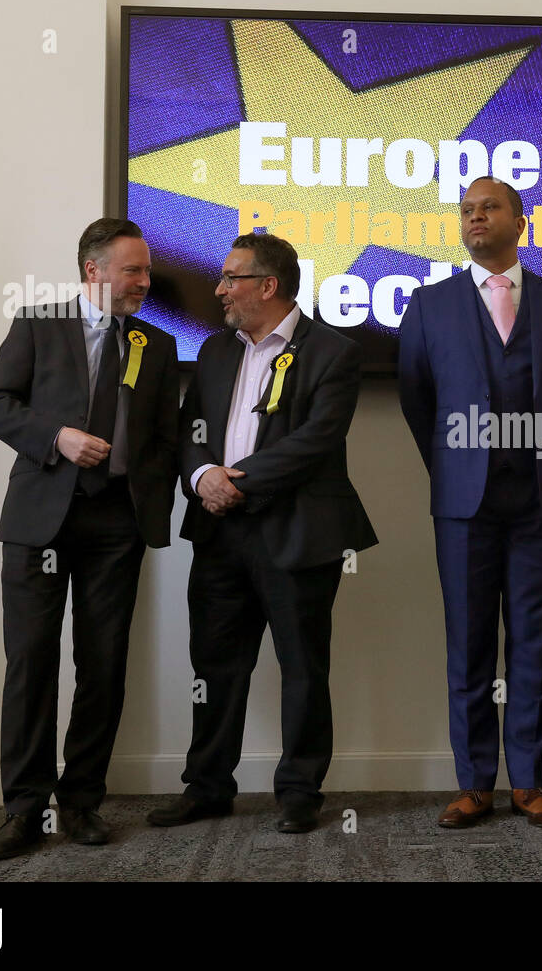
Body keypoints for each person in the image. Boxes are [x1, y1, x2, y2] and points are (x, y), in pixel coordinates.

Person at [146, 233, 377, 835]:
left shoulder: (332, 351)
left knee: (303, 667)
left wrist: (234, 480)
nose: (219, 290)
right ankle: (207, 786)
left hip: (298, 533)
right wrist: (202, 476)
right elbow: (189, 425)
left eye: (231, 278)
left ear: (267, 286)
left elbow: (316, 440)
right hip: (219, 532)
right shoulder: (218, 350)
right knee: (214, 666)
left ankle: (300, 791)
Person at [0, 218, 179, 859]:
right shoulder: (37, 325)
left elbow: (162, 440)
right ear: (93, 271)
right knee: (31, 660)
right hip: (41, 521)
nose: (145, 282)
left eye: (146, 270)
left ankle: (83, 801)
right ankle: (24, 809)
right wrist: (57, 437)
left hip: (117, 525)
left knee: (103, 664)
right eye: (133, 270)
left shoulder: (159, 344)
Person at [399, 176, 542, 828]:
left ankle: (529, 783)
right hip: (463, 503)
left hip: (539, 499)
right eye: (467, 211)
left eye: (489, 208)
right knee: (469, 641)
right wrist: (455, 466)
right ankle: (475, 782)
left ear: (521, 220)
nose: (476, 217)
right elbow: (415, 399)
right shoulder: (429, 305)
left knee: (535, 640)